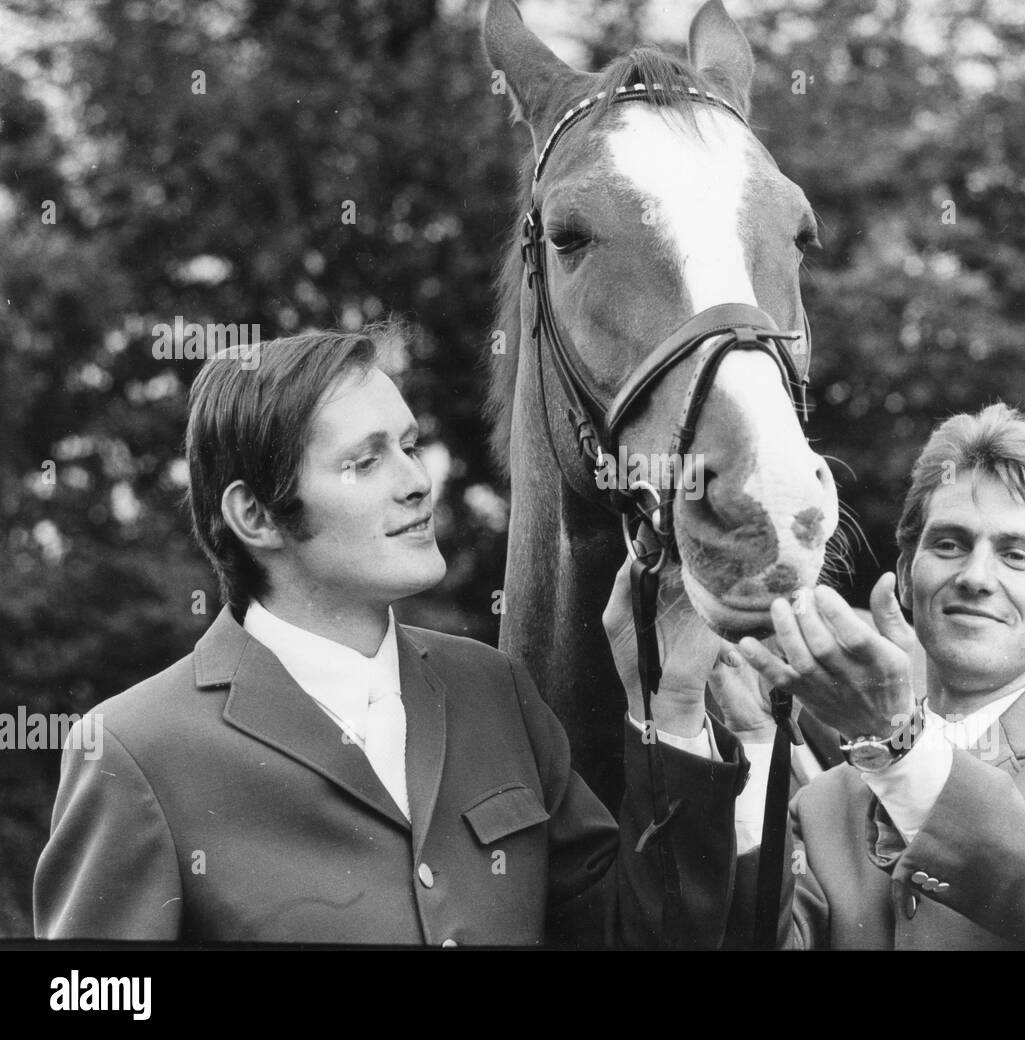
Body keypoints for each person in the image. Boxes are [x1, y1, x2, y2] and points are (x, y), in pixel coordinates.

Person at [33, 327, 747, 947]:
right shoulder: (134, 750)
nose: (417, 482)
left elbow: (646, 936)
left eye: (410, 445)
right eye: (365, 460)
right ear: (255, 516)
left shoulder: (495, 690)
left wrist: (675, 705)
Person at [730, 403, 1025, 949]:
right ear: (906, 578)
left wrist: (897, 741)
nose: (976, 577)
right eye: (950, 544)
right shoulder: (822, 802)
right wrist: (751, 740)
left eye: (1017, 555)